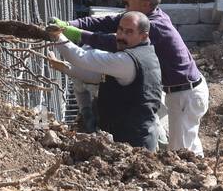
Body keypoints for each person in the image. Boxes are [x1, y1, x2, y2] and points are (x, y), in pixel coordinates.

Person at [62, 0, 209, 155]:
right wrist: (70, 25)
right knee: (185, 144)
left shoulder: (153, 27)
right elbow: (106, 22)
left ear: (145, 4)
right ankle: (199, 174)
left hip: (185, 95)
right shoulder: (145, 18)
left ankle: (197, 180)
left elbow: (113, 42)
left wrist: (76, 35)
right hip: (180, 91)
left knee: (182, 151)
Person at [47, 11, 162, 151]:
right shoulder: (145, 53)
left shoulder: (127, 60)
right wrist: (66, 68)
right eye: (120, 29)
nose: (121, 36)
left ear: (143, 36)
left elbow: (81, 57)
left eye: (129, 32)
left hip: (134, 144)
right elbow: (98, 76)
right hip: (134, 137)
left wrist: (57, 36)